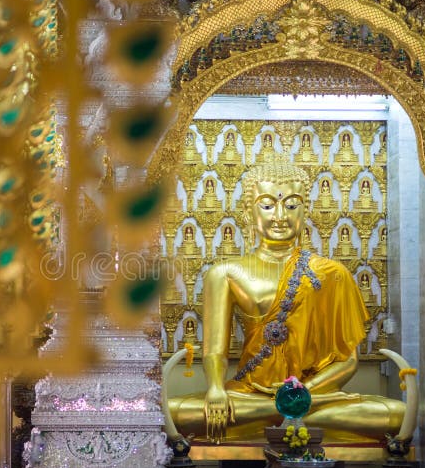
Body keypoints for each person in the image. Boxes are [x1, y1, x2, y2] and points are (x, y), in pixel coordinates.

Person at [168, 162, 403, 443]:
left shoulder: (332, 274)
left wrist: (301, 393)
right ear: (248, 212)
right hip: (249, 393)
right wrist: (216, 389)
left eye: (291, 205)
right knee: (174, 412)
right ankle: (286, 415)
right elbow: (215, 352)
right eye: (267, 206)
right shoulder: (225, 273)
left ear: (306, 211)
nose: (280, 216)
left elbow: (347, 362)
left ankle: (280, 413)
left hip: (312, 394)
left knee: (395, 413)